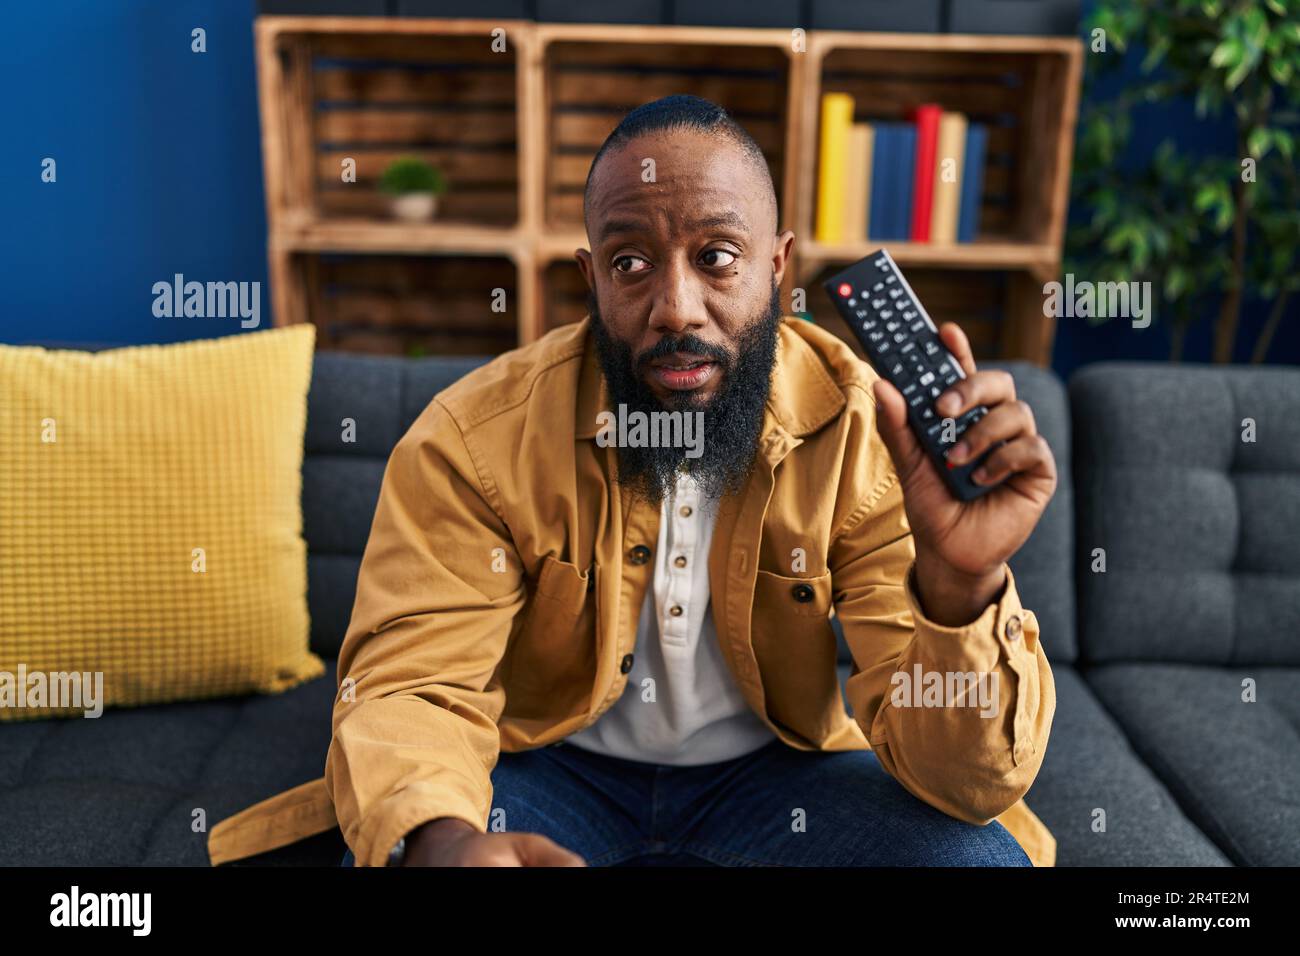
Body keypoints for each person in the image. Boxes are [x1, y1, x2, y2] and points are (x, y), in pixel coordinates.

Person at [229, 93, 1060, 868]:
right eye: (631, 263)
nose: (676, 307)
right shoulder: (473, 439)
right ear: (591, 281)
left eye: (718, 257)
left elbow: (965, 783)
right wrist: (443, 842)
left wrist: (961, 585)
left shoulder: (864, 428)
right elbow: (415, 686)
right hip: (545, 766)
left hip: (775, 776)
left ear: (777, 268)